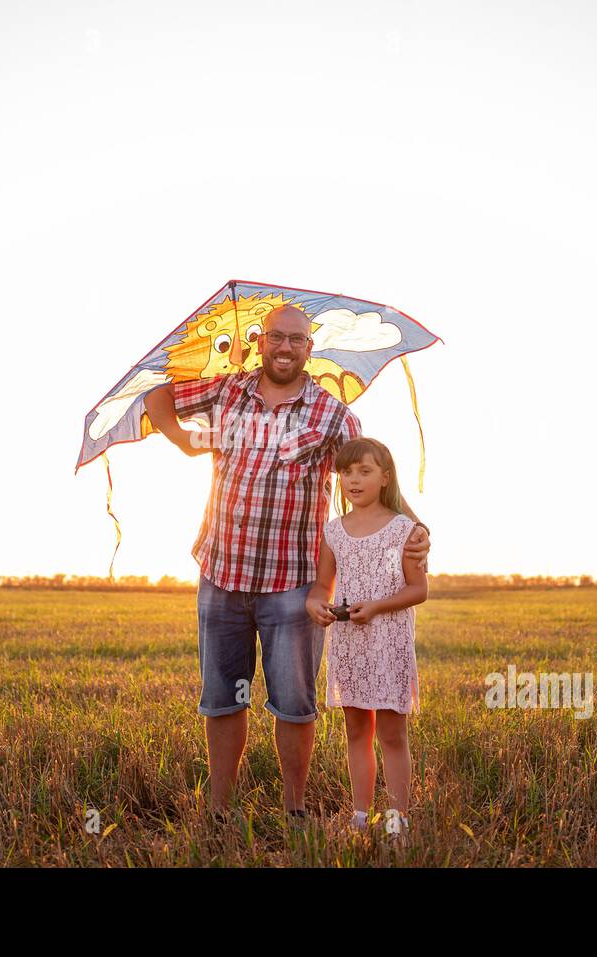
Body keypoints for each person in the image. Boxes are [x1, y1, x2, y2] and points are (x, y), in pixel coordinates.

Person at [143, 303, 433, 822]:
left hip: (294, 584)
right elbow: (157, 396)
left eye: (296, 340)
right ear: (260, 341)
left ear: (309, 349)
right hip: (222, 573)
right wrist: (184, 438)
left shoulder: (333, 415)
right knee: (223, 698)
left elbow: (368, 476)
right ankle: (220, 810)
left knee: (295, 704)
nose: (285, 348)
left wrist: (414, 526)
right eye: (276, 337)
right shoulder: (226, 391)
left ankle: (295, 809)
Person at [306, 437, 428, 836]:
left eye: (365, 471)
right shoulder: (333, 532)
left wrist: (376, 607)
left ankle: (397, 820)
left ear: (385, 477)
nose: (354, 480)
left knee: (392, 734)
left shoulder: (404, 530)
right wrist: (316, 603)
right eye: (346, 472)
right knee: (357, 731)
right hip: (349, 645)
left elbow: (418, 590)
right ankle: (360, 817)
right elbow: (322, 585)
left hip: (388, 642)